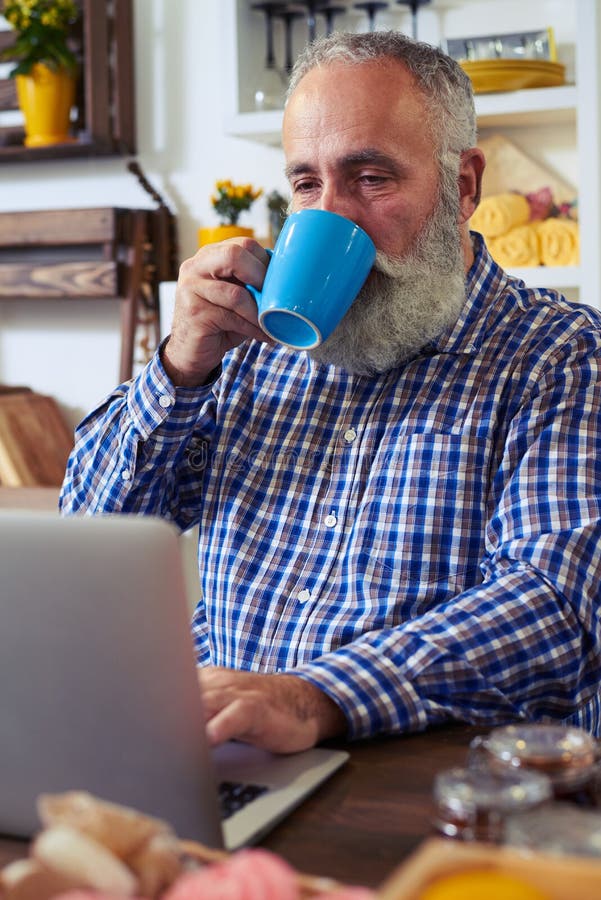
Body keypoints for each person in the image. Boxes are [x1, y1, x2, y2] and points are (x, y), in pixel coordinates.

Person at [60, 30, 601, 753]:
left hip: (432, 792)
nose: (331, 214)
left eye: (371, 177)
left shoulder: (559, 355)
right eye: (307, 184)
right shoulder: (249, 348)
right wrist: (179, 368)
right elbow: (89, 543)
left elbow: (557, 608)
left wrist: (315, 698)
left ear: (463, 185)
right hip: (220, 757)